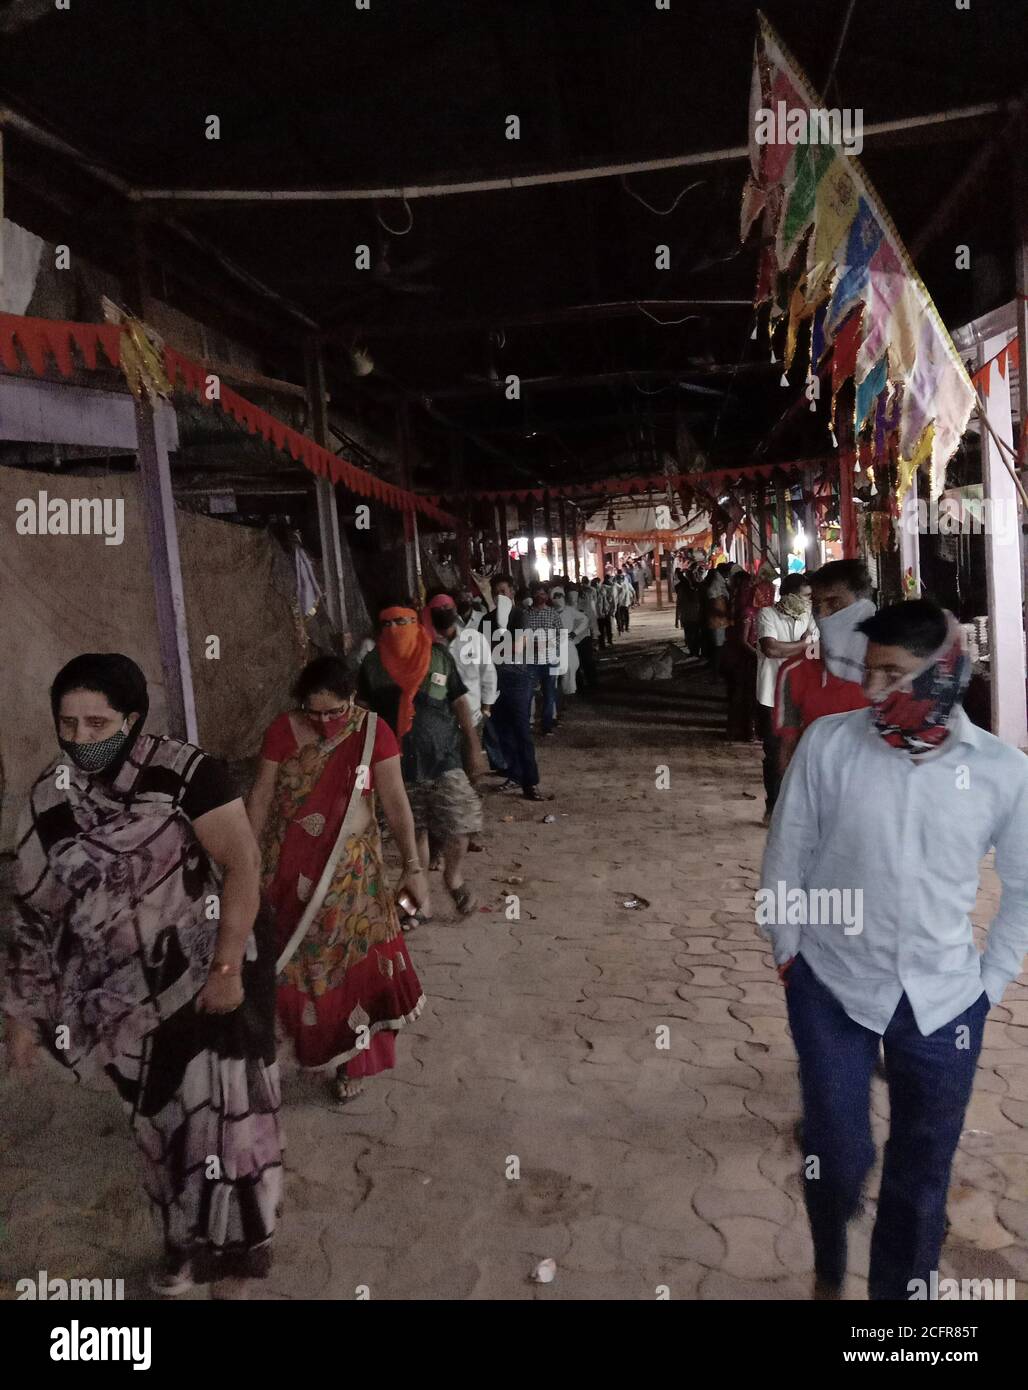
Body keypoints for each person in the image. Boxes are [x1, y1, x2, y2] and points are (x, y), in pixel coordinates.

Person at [760, 600, 1028, 1301]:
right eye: (867, 672)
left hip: (944, 1002)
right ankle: (828, 1264)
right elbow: (786, 860)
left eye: (893, 675)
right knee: (838, 1155)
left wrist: (989, 984)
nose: (874, 692)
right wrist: (790, 958)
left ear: (944, 675)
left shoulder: (1002, 771)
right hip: (831, 985)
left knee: (922, 1173)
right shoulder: (829, 744)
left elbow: (1024, 891)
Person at [3, 653, 282, 1299]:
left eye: (96, 723)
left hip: (214, 980)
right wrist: (22, 1014)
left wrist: (225, 968)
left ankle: (230, 1273)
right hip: (121, 1003)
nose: (79, 739)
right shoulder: (52, 794)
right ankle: (181, 1241)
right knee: (159, 1127)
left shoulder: (187, 774)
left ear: (131, 719)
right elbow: (34, 910)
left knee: (228, 1128)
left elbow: (242, 867)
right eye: (67, 724)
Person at [246, 656, 426, 1104]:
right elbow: (263, 797)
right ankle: (276, 1057)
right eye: (315, 713)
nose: (325, 722)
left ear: (352, 700)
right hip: (285, 869)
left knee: (351, 970)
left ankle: (352, 1060)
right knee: (287, 966)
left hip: (351, 877)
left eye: (335, 712)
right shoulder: (282, 731)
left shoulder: (371, 733)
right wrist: (244, 860)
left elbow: (395, 802)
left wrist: (413, 868)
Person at [356, 603, 485, 916]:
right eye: (390, 623)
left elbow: (459, 703)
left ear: (417, 623)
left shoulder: (438, 656)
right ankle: (416, 904)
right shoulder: (371, 666)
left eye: (405, 622)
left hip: (445, 760)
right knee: (413, 834)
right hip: (398, 767)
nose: (397, 629)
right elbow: (362, 714)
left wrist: (473, 747)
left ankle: (453, 878)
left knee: (460, 824)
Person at [775, 560, 874, 775]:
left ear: (863, 606)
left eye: (835, 603)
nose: (824, 615)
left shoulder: (895, 669)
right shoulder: (795, 671)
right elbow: (789, 748)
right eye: (818, 606)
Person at [755, 573, 816, 824]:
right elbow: (770, 649)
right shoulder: (767, 615)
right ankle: (773, 806)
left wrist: (792, 647)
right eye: (805, 596)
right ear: (790, 596)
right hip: (770, 694)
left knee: (798, 752)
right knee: (773, 752)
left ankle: (793, 808)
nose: (809, 601)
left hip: (800, 694)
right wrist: (802, 645)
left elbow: (814, 653)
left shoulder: (810, 616)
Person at [491, 624, 553, 802]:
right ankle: (515, 775)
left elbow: (523, 645)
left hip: (518, 680)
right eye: (496, 593)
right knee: (503, 732)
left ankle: (530, 782)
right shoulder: (487, 619)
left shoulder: (519, 617)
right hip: (495, 679)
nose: (499, 595)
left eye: (503, 592)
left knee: (522, 731)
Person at [522, 583, 564, 735]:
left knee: (549, 693)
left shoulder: (553, 613)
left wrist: (548, 643)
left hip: (550, 658)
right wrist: (530, 643)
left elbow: (561, 634)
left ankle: (546, 726)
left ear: (547, 596)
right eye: (537, 593)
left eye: (543, 593)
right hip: (530, 660)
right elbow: (520, 634)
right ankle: (526, 725)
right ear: (532, 595)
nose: (540, 596)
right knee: (527, 694)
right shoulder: (525, 614)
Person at [566, 585, 598, 690]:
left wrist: (595, 635)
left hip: (584, 637)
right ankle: (579, 686)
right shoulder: (564, 608)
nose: (572, 596)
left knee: (588, 661)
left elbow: (592, 619)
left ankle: (592, 683)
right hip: (571, 640)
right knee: (576, 664)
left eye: (574, 592)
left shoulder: (584, 604)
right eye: (570, 593)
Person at [702, 563, 731, 675]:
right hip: (718, 620)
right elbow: (713, 605)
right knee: (718, 648)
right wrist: (726, 614)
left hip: (718, 620)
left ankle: (716, 670)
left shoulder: (718, 584)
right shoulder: (716, 586)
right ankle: (716, 672)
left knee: (718, 647)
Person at [596, 574, 616, 649]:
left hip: (603, 613)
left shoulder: (600, 589)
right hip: (603, 613)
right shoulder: (607, 588)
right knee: (606, 628)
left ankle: (604, 643)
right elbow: (611, 600)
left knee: (604, 628)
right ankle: (606, 642)